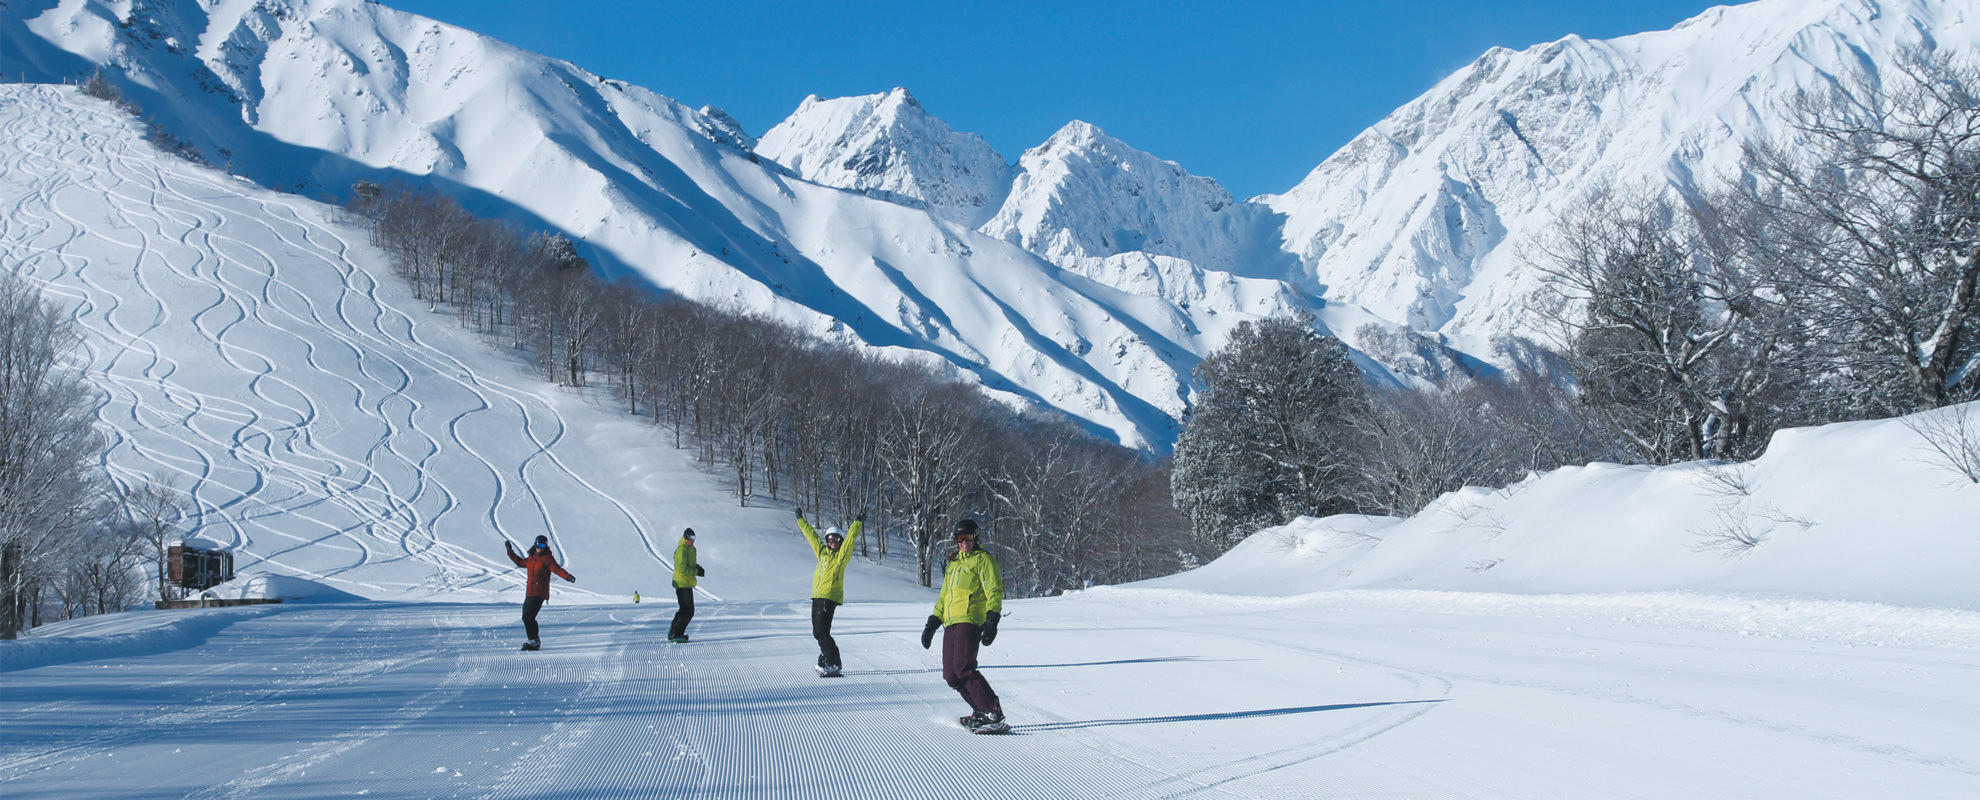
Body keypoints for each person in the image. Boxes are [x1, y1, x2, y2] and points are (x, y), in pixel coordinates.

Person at [920, 518, 1006, 731]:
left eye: (967, 538)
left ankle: (992, 711)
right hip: (951, 622)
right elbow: (944, 597)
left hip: (970, 620)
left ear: (975, 538)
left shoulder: (983, 561)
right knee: (950, 675)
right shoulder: (954, 564)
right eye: (960, 539)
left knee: (963, 668)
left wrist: (992, 619)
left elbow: (994, 590)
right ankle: (980, 710)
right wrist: (932, 622)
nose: (964, 542)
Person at [797, 508, 863, 676]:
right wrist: (800, 520)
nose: (833, 541)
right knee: (818, 631)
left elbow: (850, 541)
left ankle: (833, 662)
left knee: (821, 632)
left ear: (840, 541)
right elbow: (812, 537)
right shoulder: (822, 553)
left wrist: (857, 523)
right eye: (830, 539)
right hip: (817, 596)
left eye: (836, 539)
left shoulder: (840, 557)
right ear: (827, 540)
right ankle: (825, 658)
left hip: (829, 597)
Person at [504, 534, 575, 651]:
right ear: (535, 545)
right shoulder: (531, 558)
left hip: (540, 593)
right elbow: (520, 562)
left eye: (542, 546)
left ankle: (534, 641)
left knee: (529, 617)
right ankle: (533, 640)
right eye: (538, 545)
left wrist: (568, 577)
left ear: (546, 546)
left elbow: (557, 569)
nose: (540, 548)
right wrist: (509, 551)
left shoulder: (547, 559)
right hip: (530, 592)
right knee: (526, 617)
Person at [668, 528, 704, 643]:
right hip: (681, 583)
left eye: (693, 538)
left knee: (688, 610)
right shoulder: (681, 549)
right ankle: (675, 633)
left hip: (688, 583)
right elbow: (682, 568)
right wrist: (695, 571)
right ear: (685, 537)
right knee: (686, 610)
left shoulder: (692, 549)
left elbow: (690, 563)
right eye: (689, 538)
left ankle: (677, 632)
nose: (691, 541)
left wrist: (698, 568)